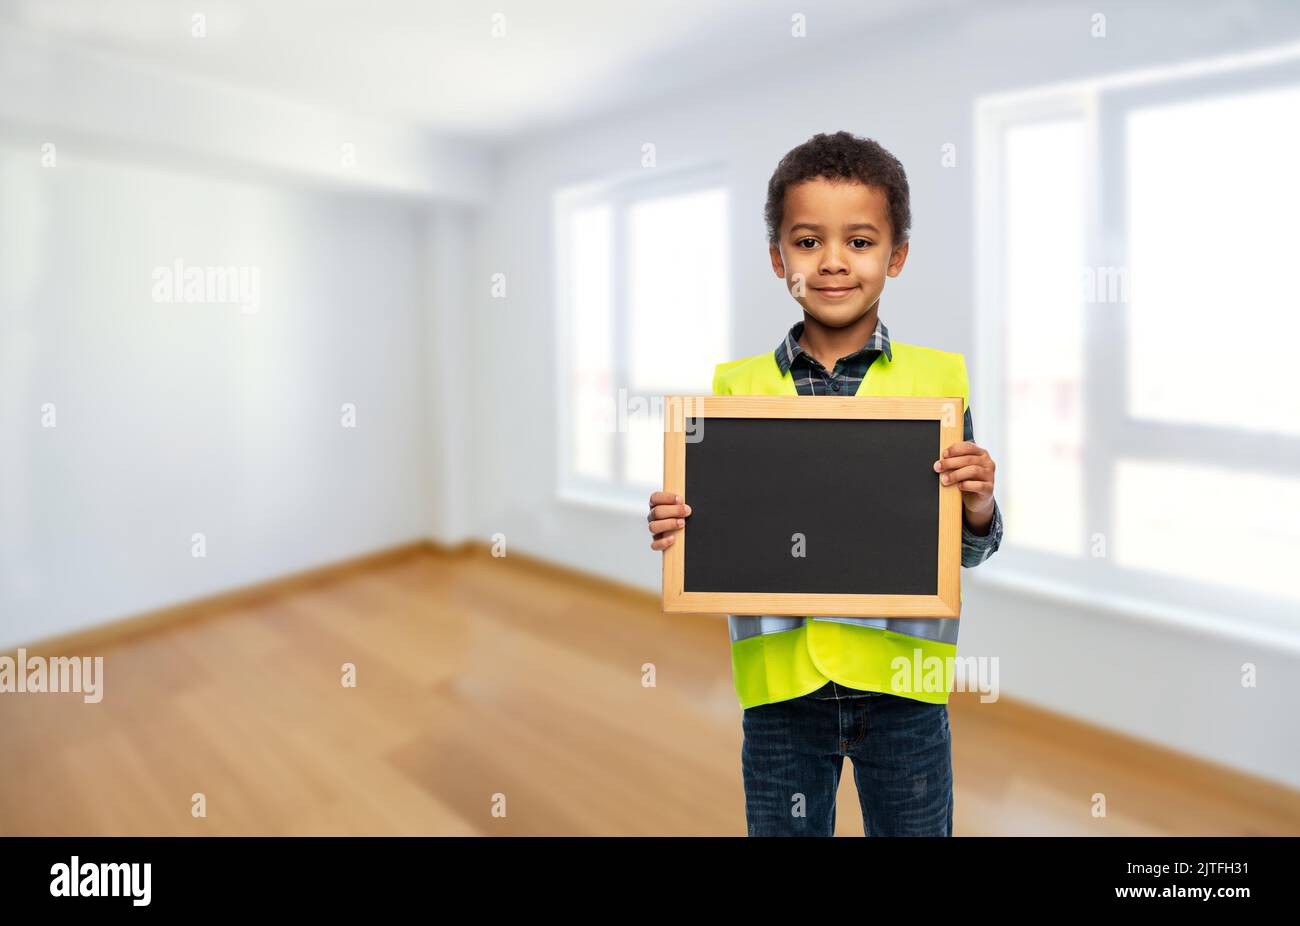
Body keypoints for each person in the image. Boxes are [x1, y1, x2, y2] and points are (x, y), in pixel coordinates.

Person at [646, 131, 1003, 836]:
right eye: (808, 242)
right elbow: (724, 532)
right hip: (782, 696)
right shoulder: (735, 389)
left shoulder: (940, 383)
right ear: (779, 258)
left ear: (895, 255)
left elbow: (968, 551)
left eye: (860, 242)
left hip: (907, 695)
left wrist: (980, 505)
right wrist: (681, 524)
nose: (833, 262)